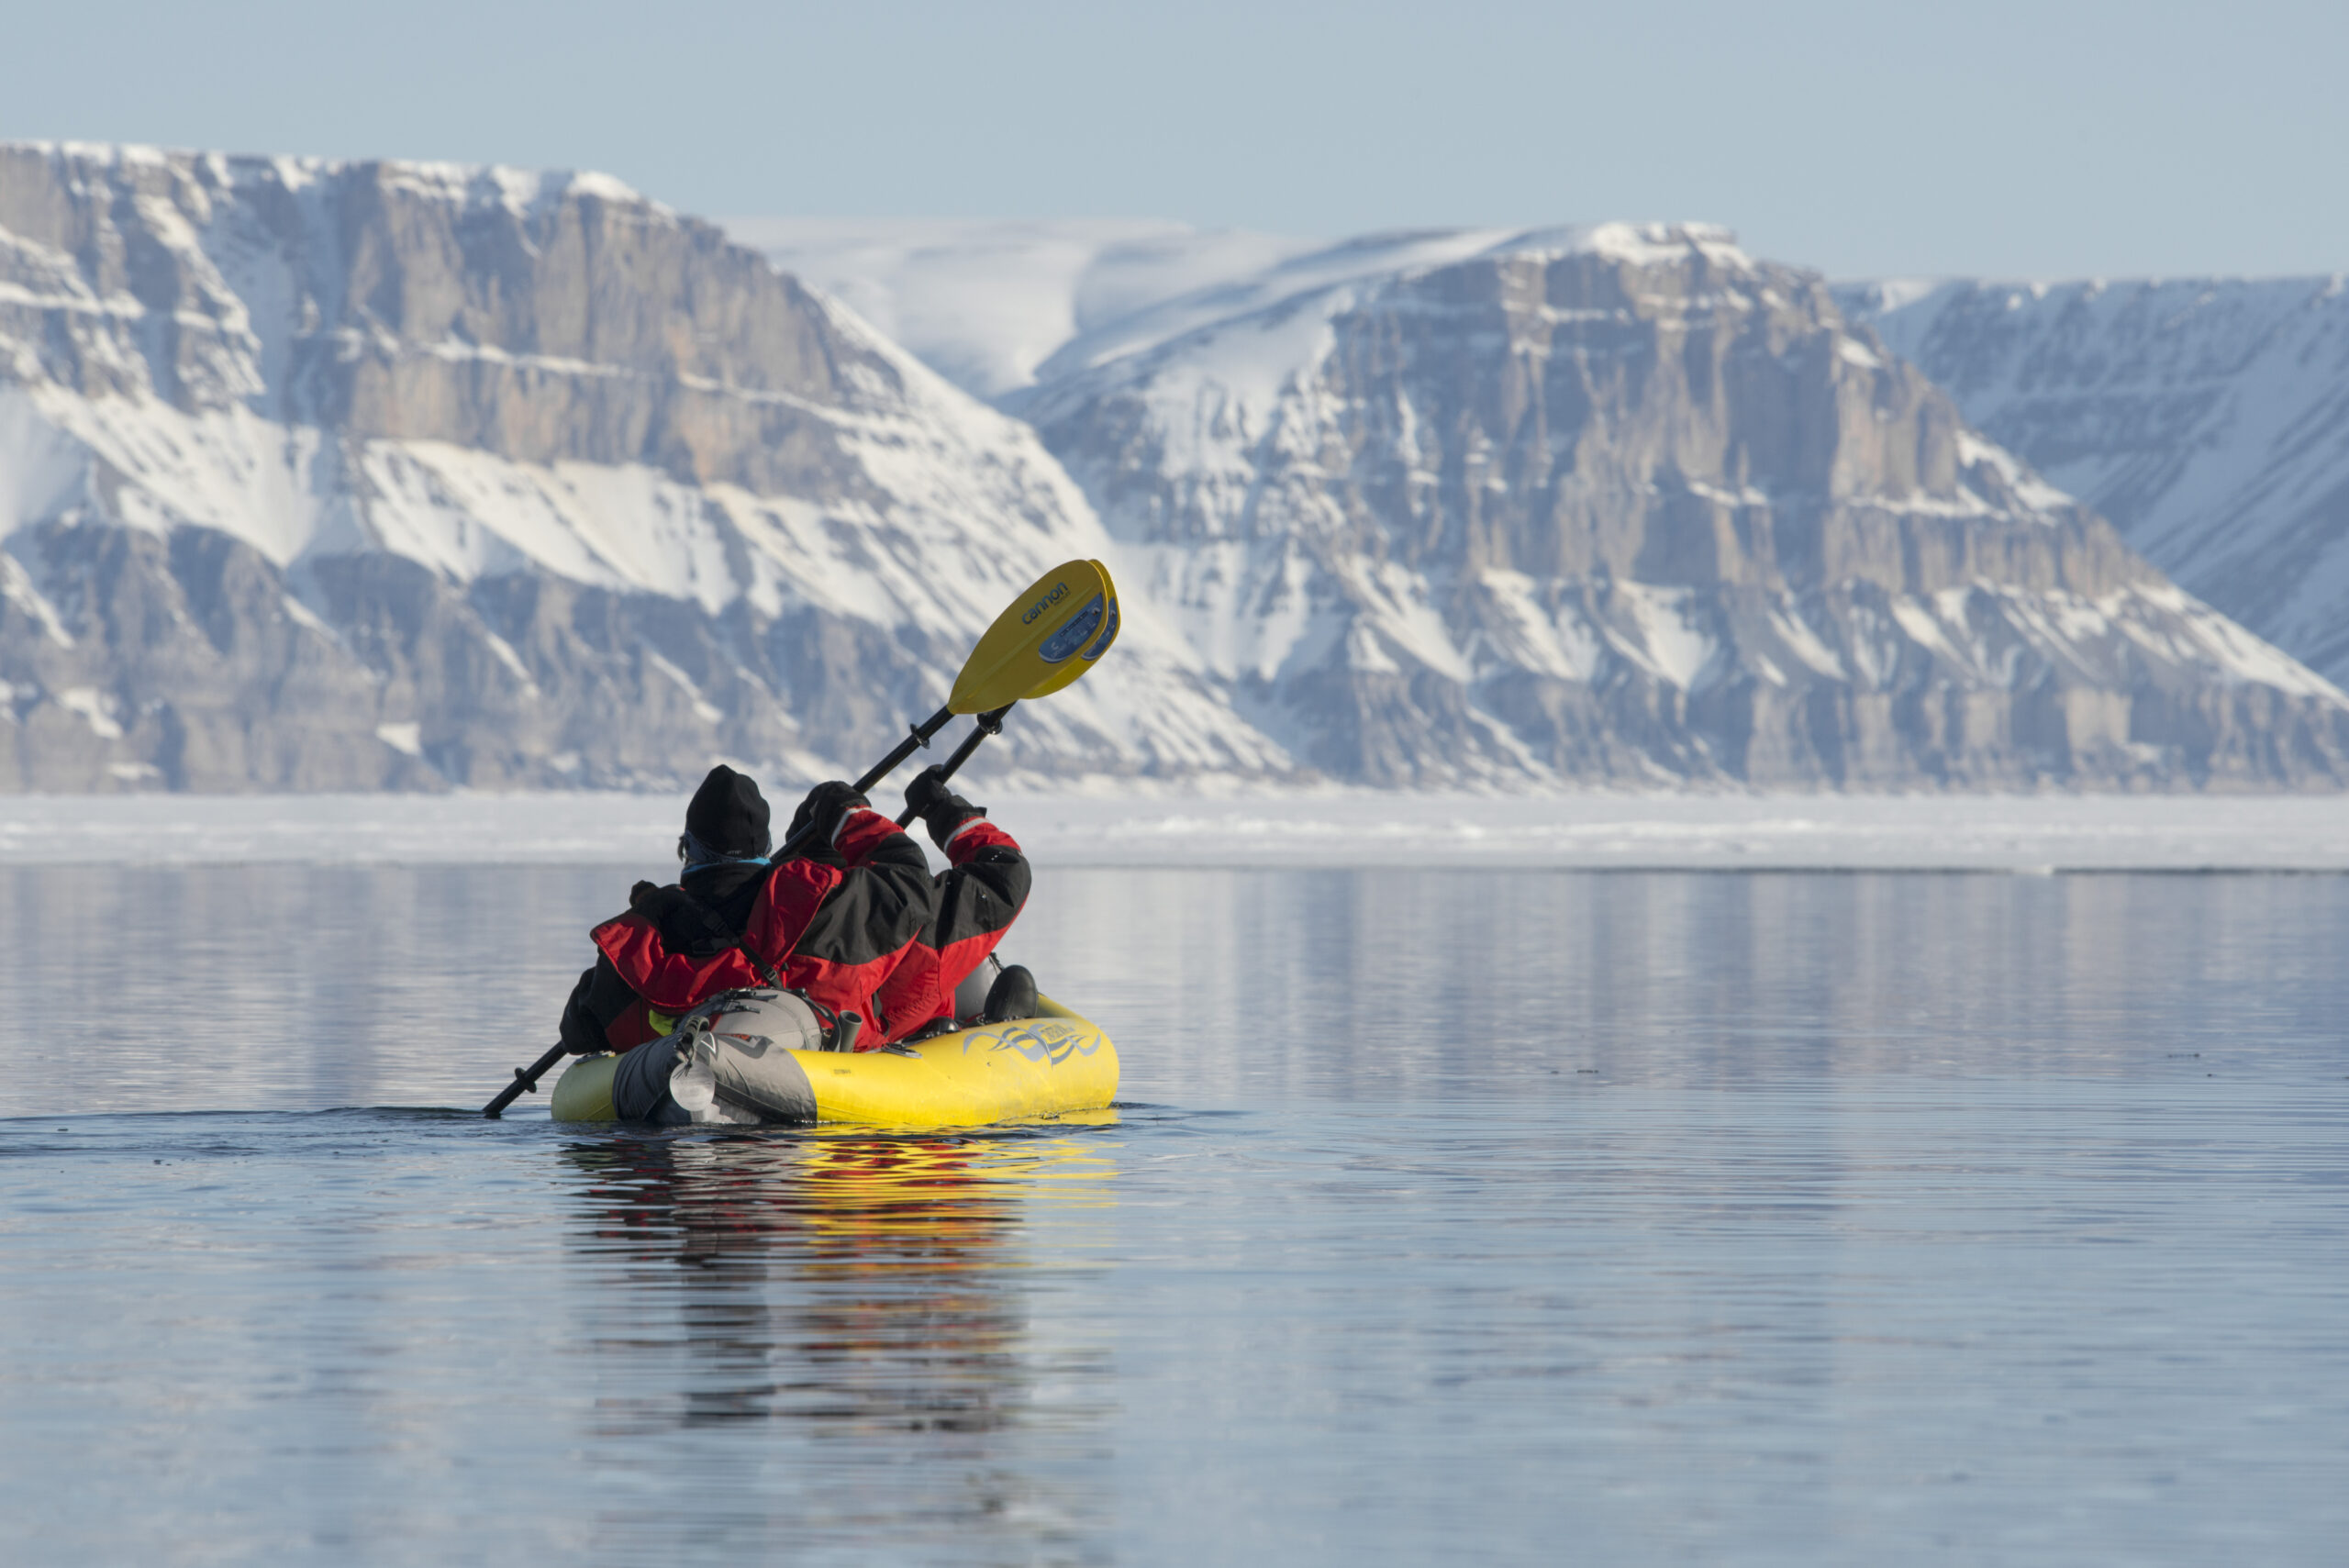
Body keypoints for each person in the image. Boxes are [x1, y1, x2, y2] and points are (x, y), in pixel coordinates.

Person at [558, 764, 935, 1057]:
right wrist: (848, 817)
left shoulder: (649, 930)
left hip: (669, 1117)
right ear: (767, 845)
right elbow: (908, 883)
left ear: (688, 848)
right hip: (804, 1095)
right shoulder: (818, 907)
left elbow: (578, 1031)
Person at [869, 763, 1039, 1042]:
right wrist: (941, 809)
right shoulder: (909, 923)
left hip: (808, 1010)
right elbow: (1006, 873)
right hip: (881, 1019)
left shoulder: (784, 894)